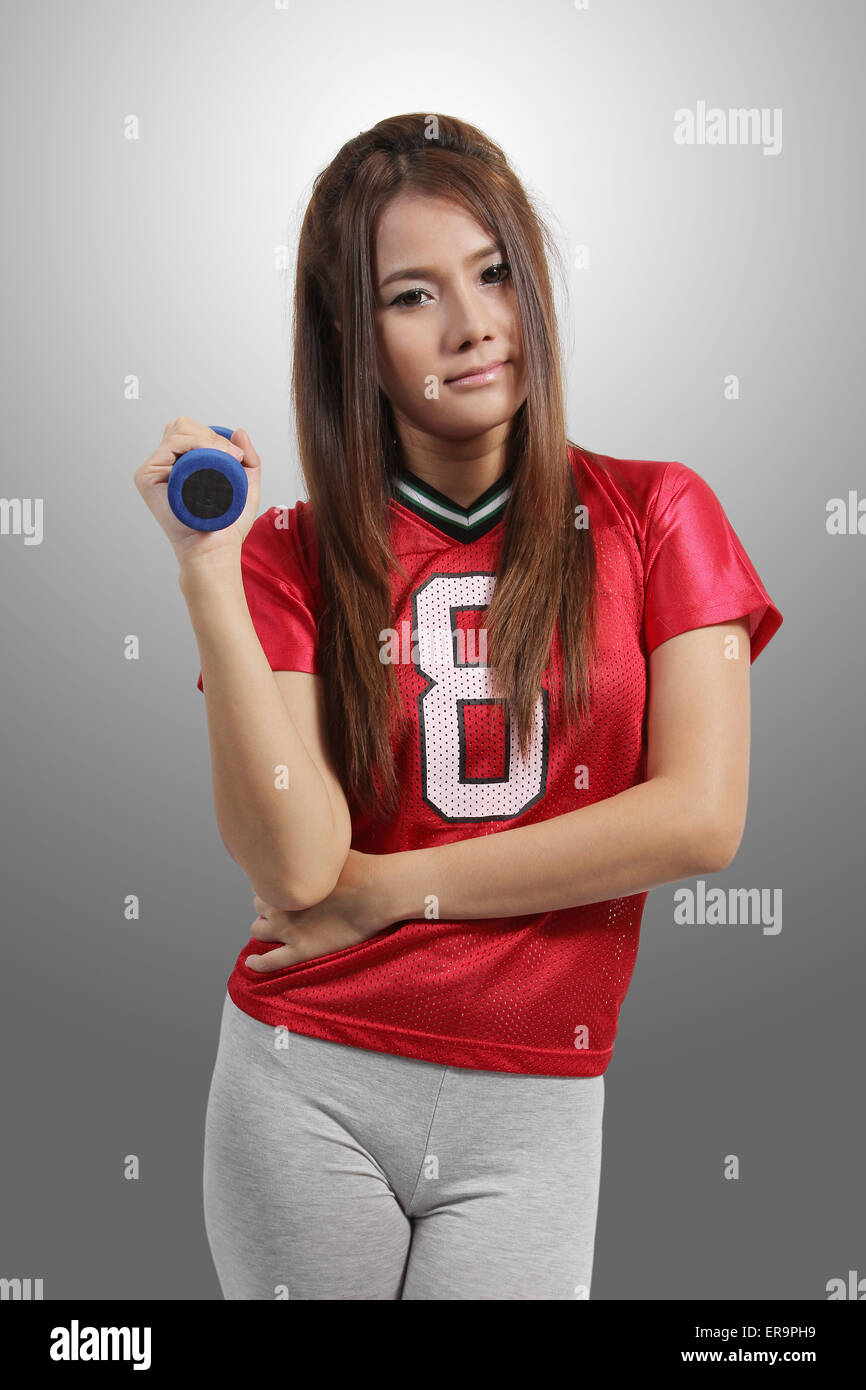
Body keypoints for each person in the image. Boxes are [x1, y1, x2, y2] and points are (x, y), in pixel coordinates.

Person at [134, 113, 783, 1300]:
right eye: (411, 295)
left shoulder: (658, 512)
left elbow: (699, 819)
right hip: (307, 1072)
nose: (473, 323)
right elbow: (296, 861)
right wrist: (208, 575)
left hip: (537, 1094)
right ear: (352, 336)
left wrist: (387, 890)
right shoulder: (290, 554)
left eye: (492, 273)